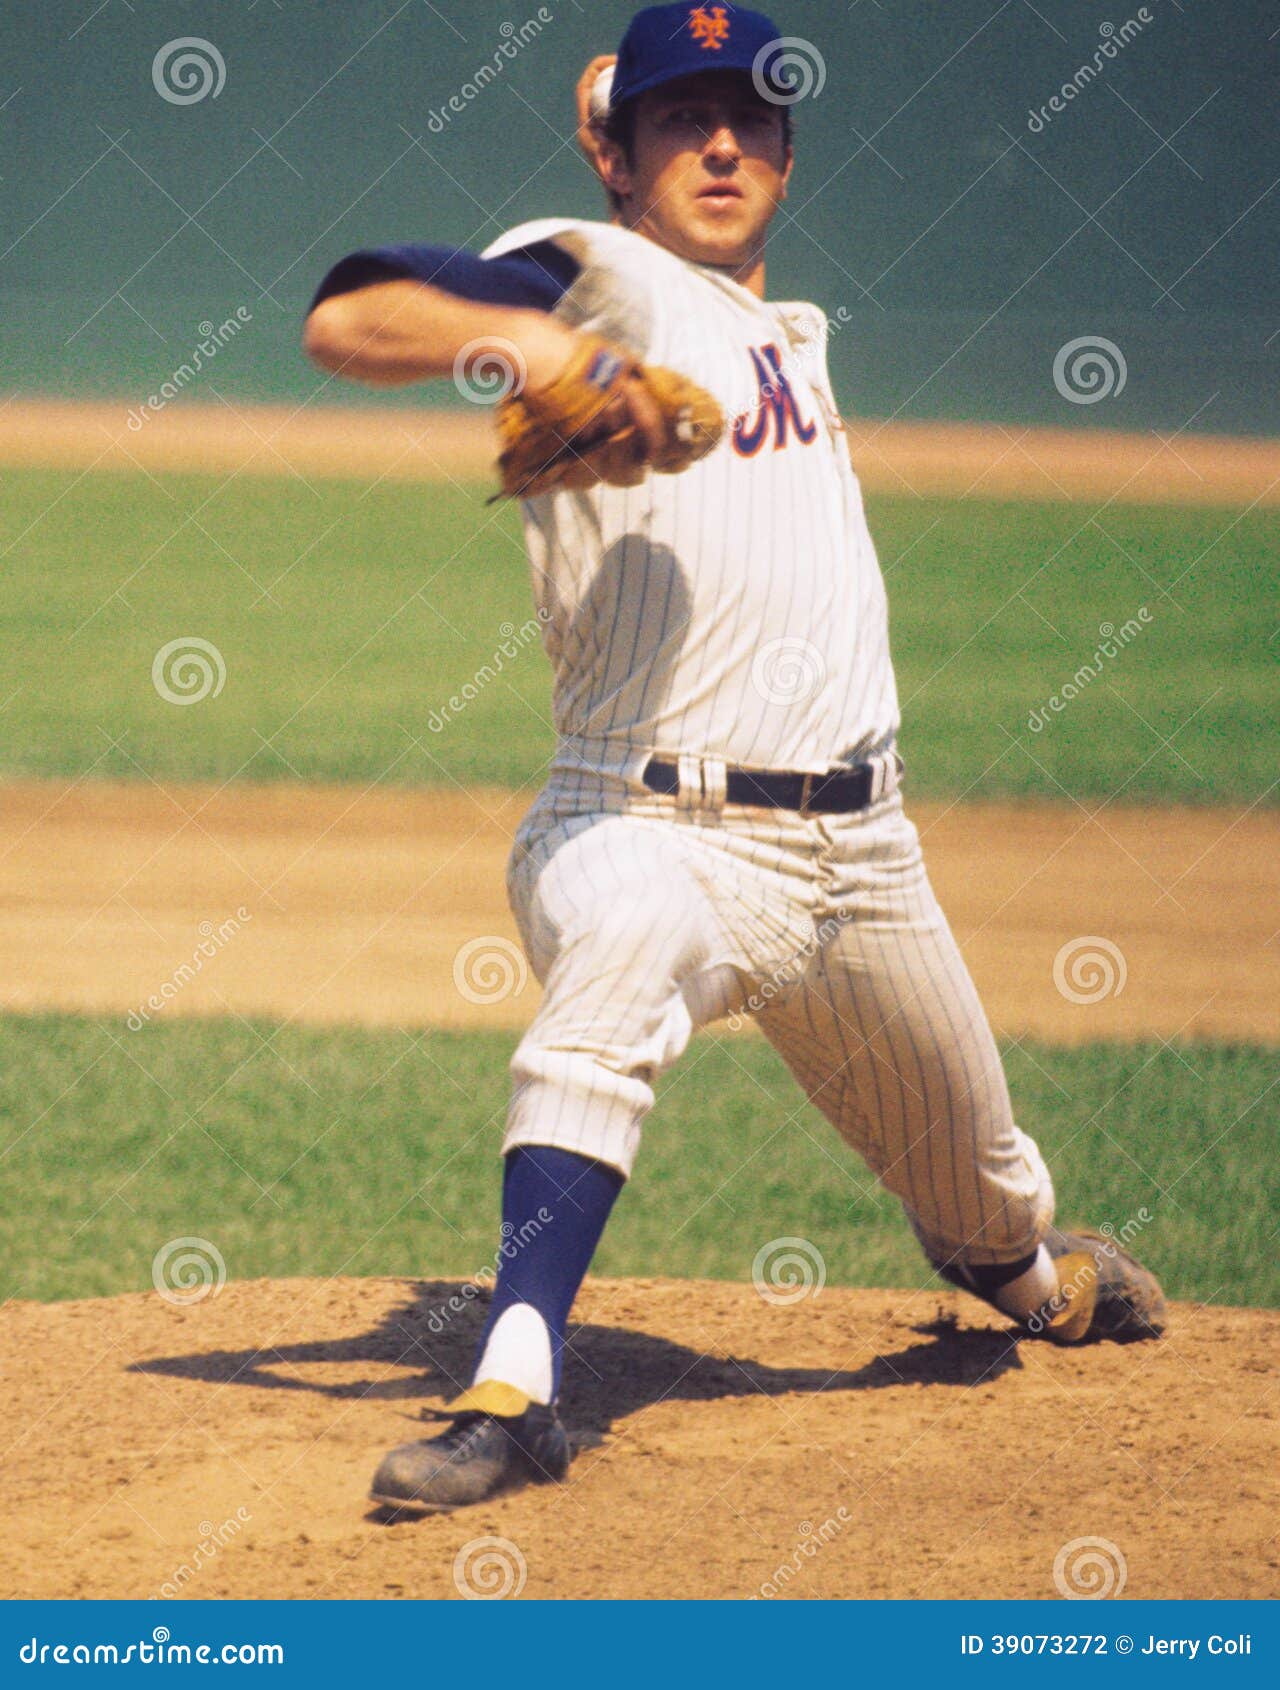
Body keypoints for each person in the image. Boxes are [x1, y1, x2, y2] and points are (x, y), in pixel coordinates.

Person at [304, 3, 1166, 1516]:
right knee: (617, 962)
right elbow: (355, 310)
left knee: (988, 1202)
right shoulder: (601, 266)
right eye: (679, 116)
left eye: (751, 116)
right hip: (646, 823)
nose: (721, 140)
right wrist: (537, 345)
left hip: (863, 863)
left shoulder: (786, 338)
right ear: (616, 152)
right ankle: (513, 1389)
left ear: (785, 147)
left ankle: (1047, 1290)